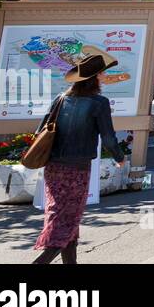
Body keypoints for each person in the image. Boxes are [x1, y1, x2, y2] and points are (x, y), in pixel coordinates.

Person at [33, 48, 128, 264]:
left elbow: (40, 131)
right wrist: (119, 158)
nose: (104, 77)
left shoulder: (60, 99)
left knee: (67, 219)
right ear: (94, 78)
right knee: (66, 221)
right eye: (102, 73)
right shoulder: (99, 103)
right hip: (77, 170)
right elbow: (109, 137)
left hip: (53, 168)